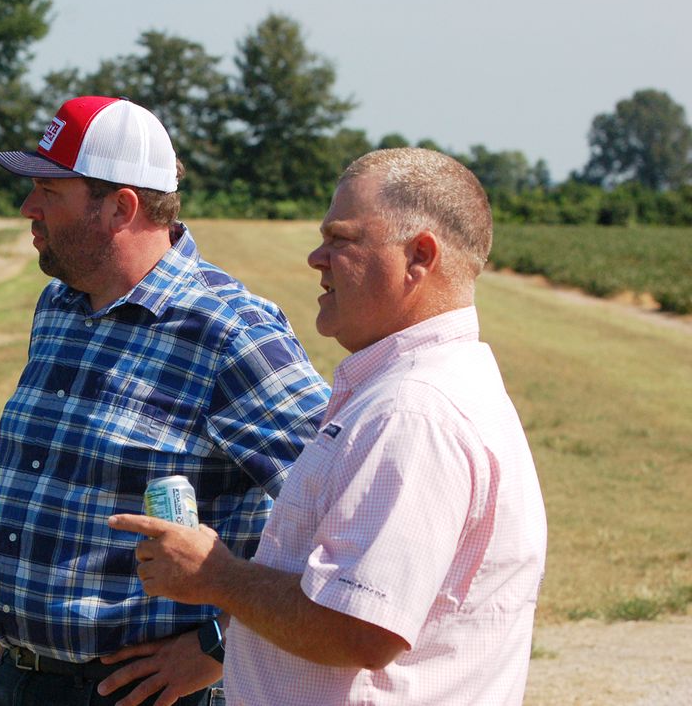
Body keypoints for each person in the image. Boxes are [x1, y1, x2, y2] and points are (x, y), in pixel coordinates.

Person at [111, 148, 548, 705]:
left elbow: (360, 629)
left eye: (341, 239)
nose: (316, 258)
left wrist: (216, 575)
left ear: (419, 256)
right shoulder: (429, 389)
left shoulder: (411, 412)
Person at [0, 95, 330, 706]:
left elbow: (341, 507)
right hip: (20, 682)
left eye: (49, 192)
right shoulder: (60, 306)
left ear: (121, 207)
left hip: (145, 695)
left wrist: (221, 646)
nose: (28, 208)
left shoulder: (230, 332)